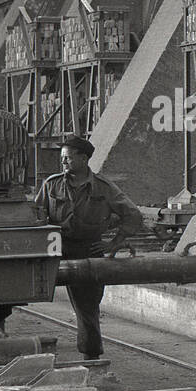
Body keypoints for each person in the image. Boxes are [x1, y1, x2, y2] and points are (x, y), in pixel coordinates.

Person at [33, 135, 144, 358]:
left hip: (88, 252)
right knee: (20, 294)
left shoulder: (103, 188)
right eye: (62, 158)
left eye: (67, 158)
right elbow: (35, 215)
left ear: (84, 159)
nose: (62, 163)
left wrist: (114, 244)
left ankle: (91, 356)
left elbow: (132, 215)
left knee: (87, 309)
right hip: (56, 249)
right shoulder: (51, 184)